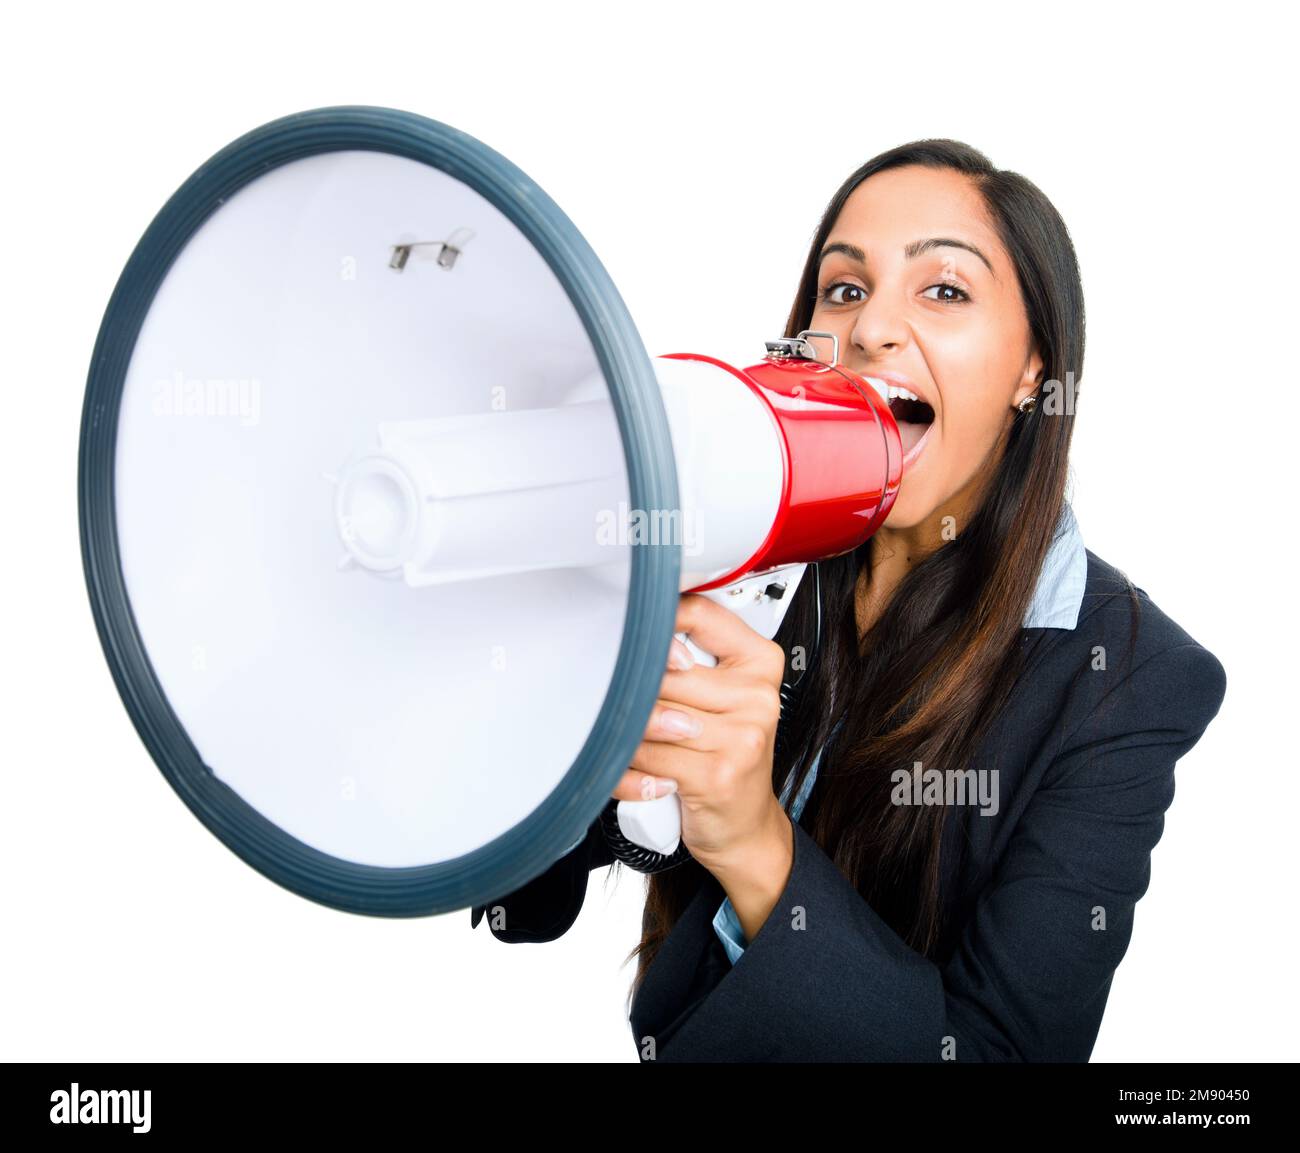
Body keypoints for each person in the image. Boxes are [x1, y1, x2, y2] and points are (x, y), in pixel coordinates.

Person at [470, 139, 1227, 1063]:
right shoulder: (746, 545)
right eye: (844, 288)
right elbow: (539, 876)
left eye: (944, 290)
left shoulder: (1131, 678)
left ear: (1036, 367)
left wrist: (754, 843)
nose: (871, 329)